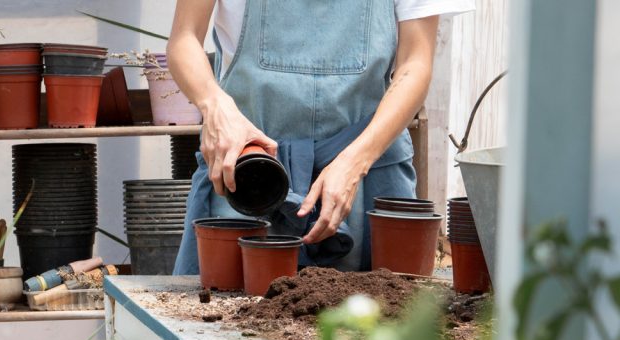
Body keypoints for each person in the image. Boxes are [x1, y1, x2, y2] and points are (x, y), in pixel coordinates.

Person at [169, 0, 474, 273]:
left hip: (368, 178)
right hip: (249, 174)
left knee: (382, 328)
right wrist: (214, 104)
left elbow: (415, 64)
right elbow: (185, 37)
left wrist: (355, 162)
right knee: (218, 328)